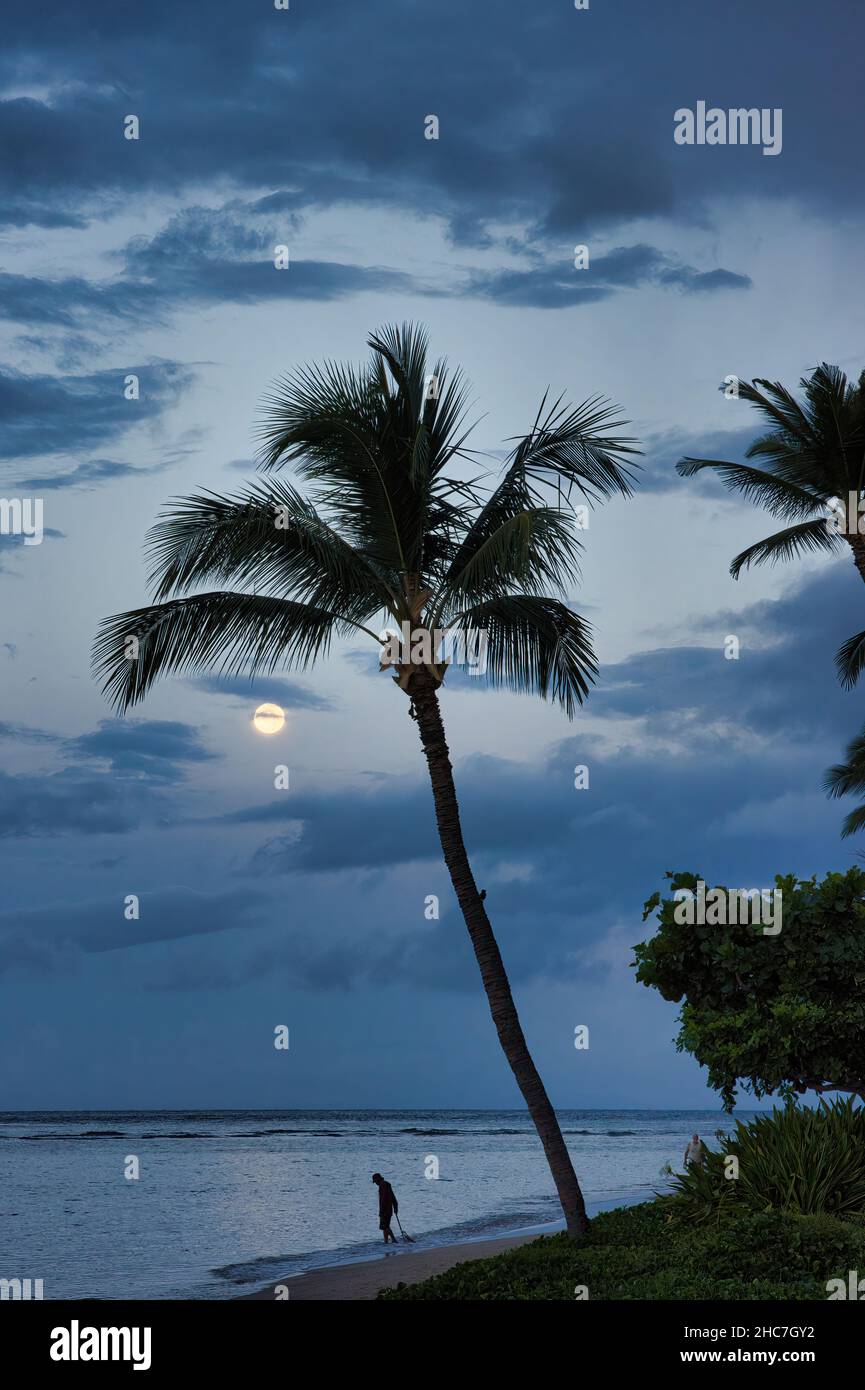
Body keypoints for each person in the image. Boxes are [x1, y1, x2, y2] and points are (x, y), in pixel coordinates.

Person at [372, 1172, 399, 1243]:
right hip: (389, 1209)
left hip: (384, 1210)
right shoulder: (387, 1184)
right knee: (385, 1227)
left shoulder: (382, 1185)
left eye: (375, 1182)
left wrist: (381, 1210)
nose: (375, 1184)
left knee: (385, 1227)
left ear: (377, 1180)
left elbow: (383, 1199)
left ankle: (394, 1240)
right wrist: (395, 1207)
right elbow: (393, 1197)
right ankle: (386, 1241)